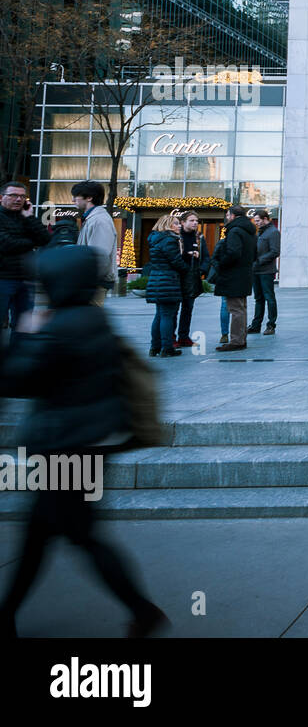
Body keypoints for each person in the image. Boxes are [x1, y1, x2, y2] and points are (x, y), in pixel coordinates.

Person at [0, 245, 168, 639]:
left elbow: (17, 380)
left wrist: (24, 335)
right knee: (43, 532)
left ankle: (143, 610)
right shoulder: (94, 318)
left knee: (76, 534)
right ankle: (7, 614)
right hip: (88, 440)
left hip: (65, 445)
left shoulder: (57, 327)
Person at [0, 180, 51, 340]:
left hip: (25, 280)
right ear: (1, 197)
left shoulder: (26, 217)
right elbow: (6, 244)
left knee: (23, 326)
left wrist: (30, 217)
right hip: (2, 279)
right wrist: (31, 242)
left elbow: (44, 239)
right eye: (13, 195)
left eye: (22, 196)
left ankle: (18, 359)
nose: (18, 199)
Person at [212, 205, 257, 352]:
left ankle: (236, 341)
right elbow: (254, 254)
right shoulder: (250, 232)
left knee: (235, 309)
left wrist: (221, 263)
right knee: (241, 308)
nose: (226, 217)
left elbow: (233, 253)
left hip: (233, 275)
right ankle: (240, 339)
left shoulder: (235, 231)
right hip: (244, 274)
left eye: (227, 214)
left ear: (233, 215)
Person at [145, 213, 188, 358]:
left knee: (159, 315)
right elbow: (175, 261)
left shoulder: (155, 239)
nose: (179, 226)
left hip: (157, 279)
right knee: (167, 315)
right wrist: (186, 266)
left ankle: (154, 347)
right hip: (168, 281)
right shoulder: (169, 240)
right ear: (168, 225)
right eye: (176, 223)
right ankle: (167, 348)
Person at [71, 180, 116, 305]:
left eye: (76, 197)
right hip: (90, 281)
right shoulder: (93, 219)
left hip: (93, 283)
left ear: (89, 198)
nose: (73, 200)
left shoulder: (99, 221)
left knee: (88, 319)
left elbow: (99, 255)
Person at [176, 210, 209, 348]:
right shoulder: (177, 236)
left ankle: (183, 336)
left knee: (188, 308)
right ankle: (170, 337)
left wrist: (201, 270)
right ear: (183, 222)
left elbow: (206, 257)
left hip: (192, 278)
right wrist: (187, 255)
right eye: (191, 220)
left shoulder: (199, 237)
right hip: (178, 277)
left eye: (196, 220)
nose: (195, 223)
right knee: (173, 309)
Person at [248, 208, 280, 336]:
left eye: (258, 221)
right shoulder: (260, 232)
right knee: (258, 299)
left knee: (269, 297)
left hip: (266, 271)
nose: (256, 223)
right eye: (255, 221)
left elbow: (275, 251)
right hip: (256, 270)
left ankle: (271, 325)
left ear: (265, 219)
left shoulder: (273, 232)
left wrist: (259, 260)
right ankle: (256, 325)